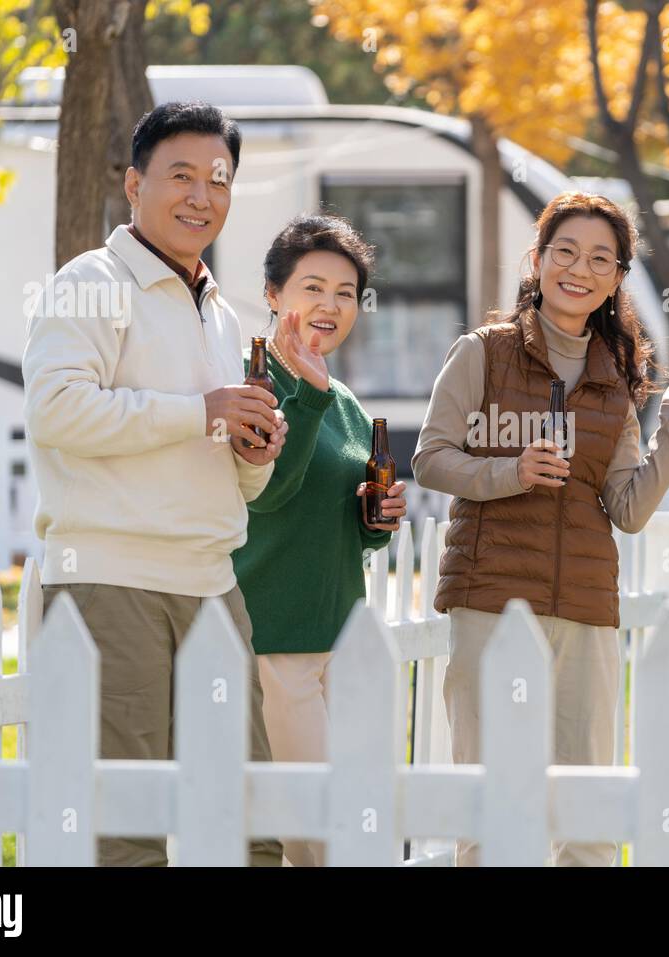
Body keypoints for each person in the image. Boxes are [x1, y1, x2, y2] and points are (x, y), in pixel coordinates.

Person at [414, 191, 669, 866]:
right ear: (540, 258)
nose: (579, 269)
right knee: (491, 807)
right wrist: (511, 470)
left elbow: (630, 509)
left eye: (600, 259)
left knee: (588, 812)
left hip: (584, 608)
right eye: (566, 252)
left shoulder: (615, 382)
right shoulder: (484, 353)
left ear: (616, 279)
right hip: (489, 598)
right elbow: (429, 457)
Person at [23, 101, 287, 866]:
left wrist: (254, 445)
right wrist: (204, 413)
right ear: (134, 184)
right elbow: (56, 411)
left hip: (212, 582)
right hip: (112, 580)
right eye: (182, 176)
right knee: (124, 833)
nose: (202, 196)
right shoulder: (90, 281)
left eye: (219, 180)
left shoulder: (223, 314)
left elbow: (237, 478)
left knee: (247, 826)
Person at [232, 214, 409, 867]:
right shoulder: (255, 388)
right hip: (275, 642)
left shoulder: (346, 404)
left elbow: (352, 532)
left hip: (343, 638)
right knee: (315, 833)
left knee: (352, 822)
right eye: (313, 286)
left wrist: (375, 519)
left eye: (346, 292)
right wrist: (302, 397)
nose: (330, 305)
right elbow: (269, 492)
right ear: (274, 294)